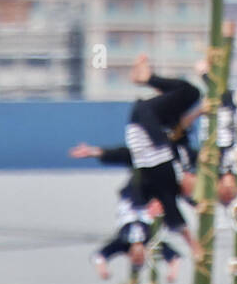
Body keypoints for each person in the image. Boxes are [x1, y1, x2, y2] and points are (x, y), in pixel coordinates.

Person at [69, 57, 202, 255]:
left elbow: (177, 222)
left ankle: (148, 78)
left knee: (190, 94)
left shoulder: (165, 185)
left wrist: (95, 152)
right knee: (189, 95)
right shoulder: (184, 160)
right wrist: (200, 113)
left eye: (192, 185)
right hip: (156, 126)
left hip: (145, 124)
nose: (192, 179)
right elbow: (182, 127)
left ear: (184, 191)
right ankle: (149, 78)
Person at [91, 178, 181, 283]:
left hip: (130, 197)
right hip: (150, 199)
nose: (138, 254)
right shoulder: (152, 243)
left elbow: (99, 256)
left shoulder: (122, 244)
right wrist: (173, 273)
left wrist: (102, 270)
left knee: (140, 174)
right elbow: (174, 257)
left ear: (129, 255)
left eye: (135, 257)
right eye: (141, 257)